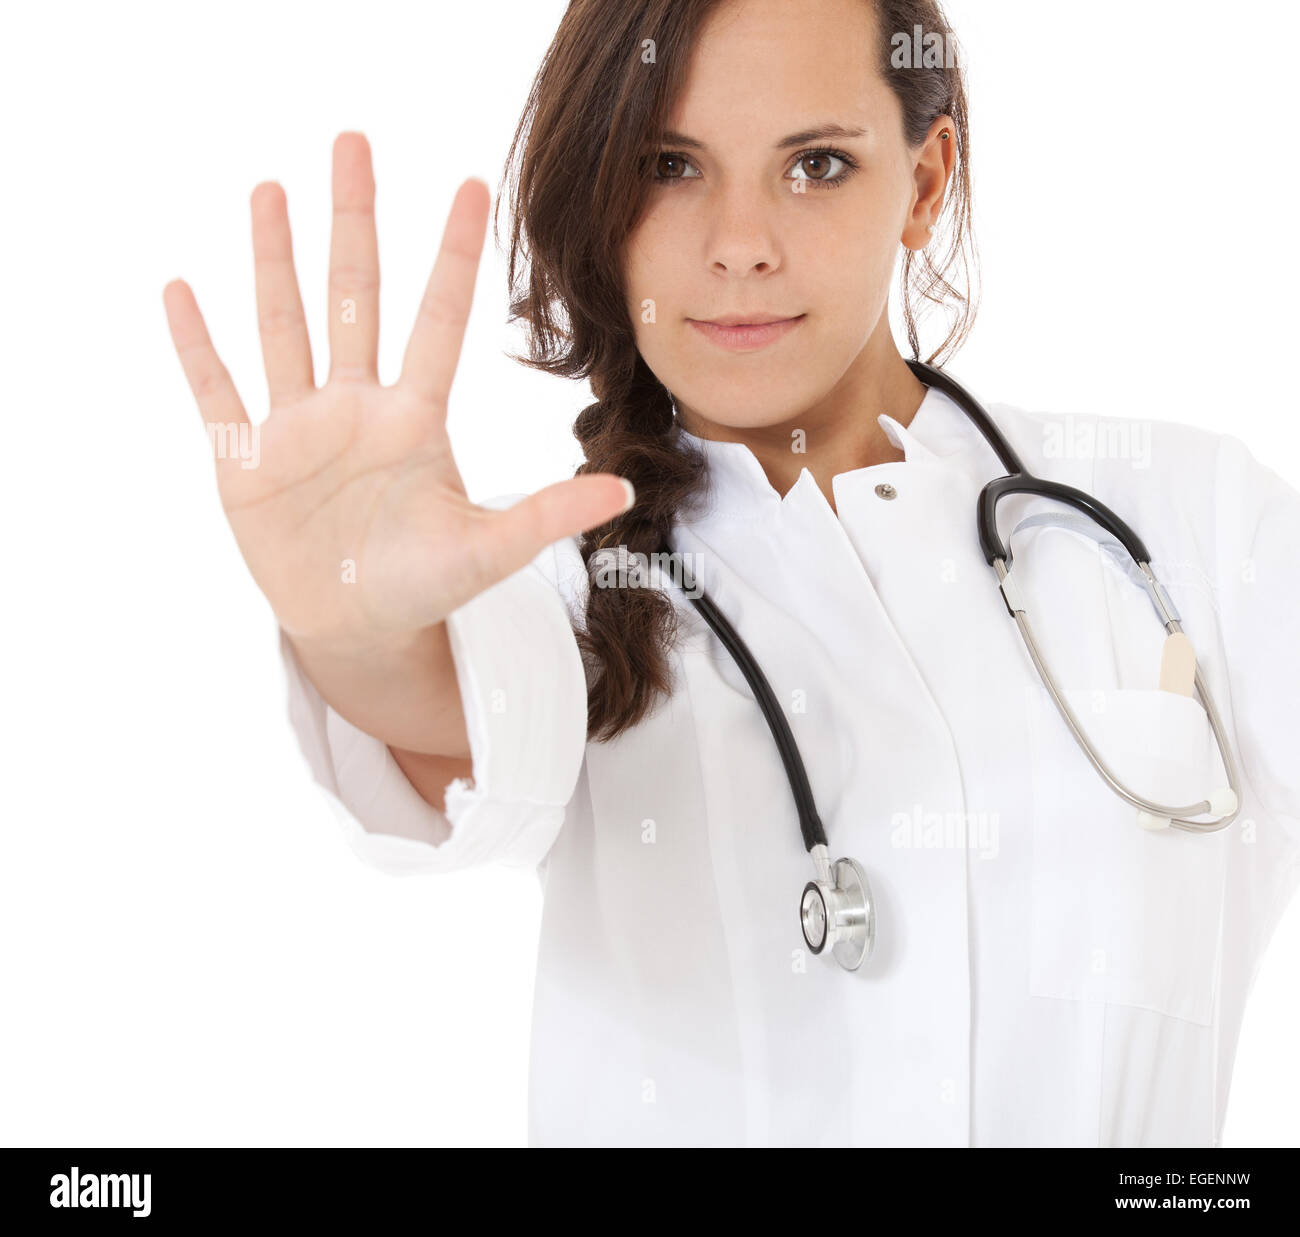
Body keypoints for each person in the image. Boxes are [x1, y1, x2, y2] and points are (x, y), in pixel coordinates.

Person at [162, 0, 1300, 1147]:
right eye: (670, 165)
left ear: (921, 181)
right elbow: (443, 695)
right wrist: (351, 618)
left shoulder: (1191, 519)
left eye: (815, 164)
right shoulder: (543, 568)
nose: (742, 242)